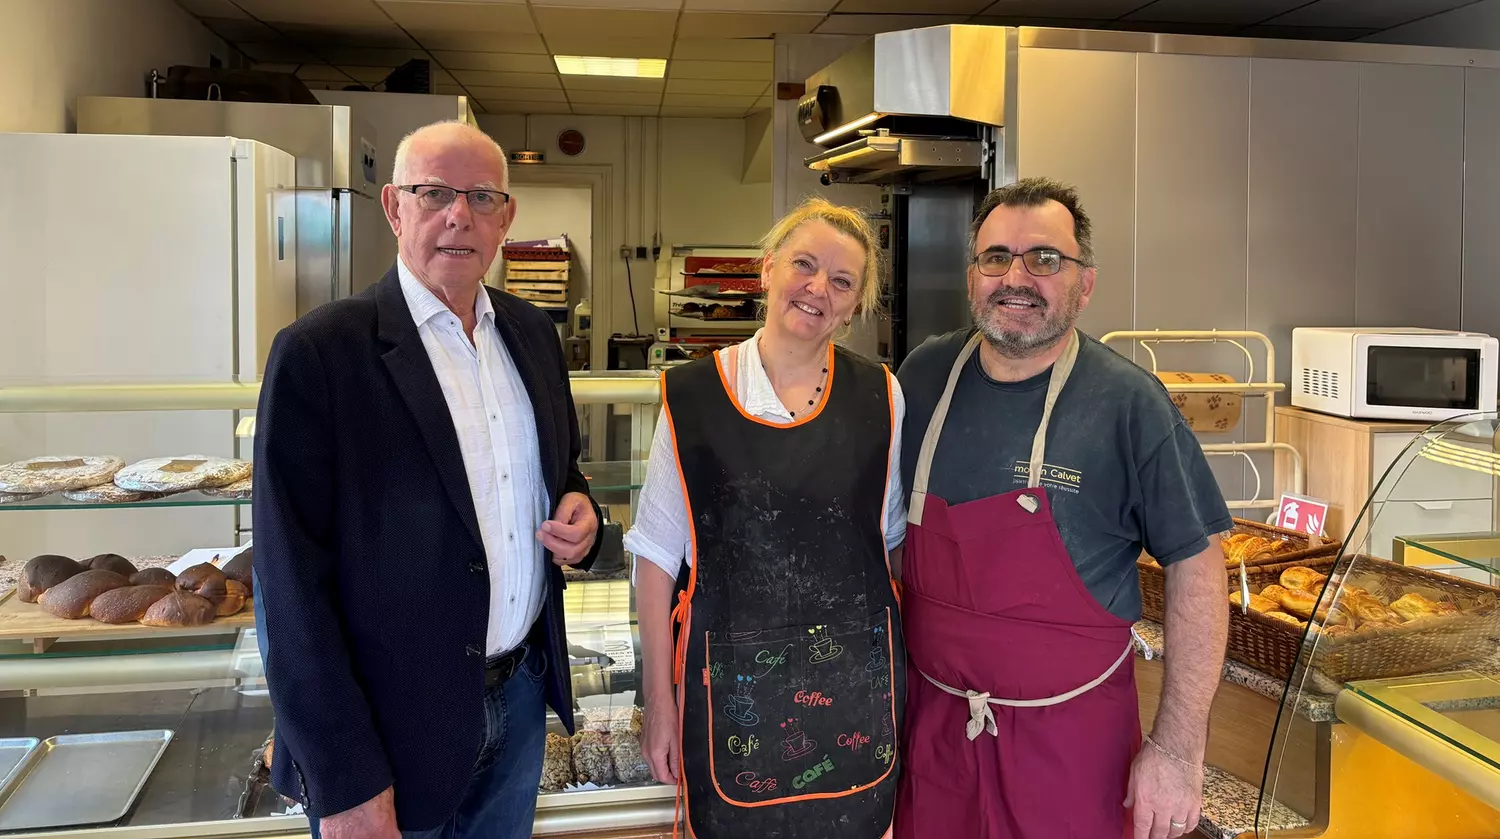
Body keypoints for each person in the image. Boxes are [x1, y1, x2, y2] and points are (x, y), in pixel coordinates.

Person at [253, 121, 602, 839]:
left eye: (481, 196)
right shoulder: (320, 354)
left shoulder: (534, 335)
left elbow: (563, 473)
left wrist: (581, 515)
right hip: (389, 730)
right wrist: (344, 778)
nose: (458, 215)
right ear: (393, 207)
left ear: (506, 217)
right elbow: (288, 589)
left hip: (521, 701)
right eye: (435, 192)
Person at [894, 178, 1230, 839]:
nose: (1016, 278)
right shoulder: (923, 377)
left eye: (1045, 259)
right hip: (932, 741)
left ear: (1085, 283)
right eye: (996, 257)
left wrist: (1177, 750)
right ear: (972, 277)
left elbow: (1199, 566)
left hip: (1072, 752)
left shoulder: (1130, 404)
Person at [629, 198, 907, 838]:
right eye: (804, 265)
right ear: (768, 269)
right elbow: (655, 556)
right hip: (733, 697)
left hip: (854, 696)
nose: (818, 289)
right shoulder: (693, 395)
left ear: (857, 302)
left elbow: (891, 546)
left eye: (842, 282)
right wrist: (660, 703)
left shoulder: (881, 394)